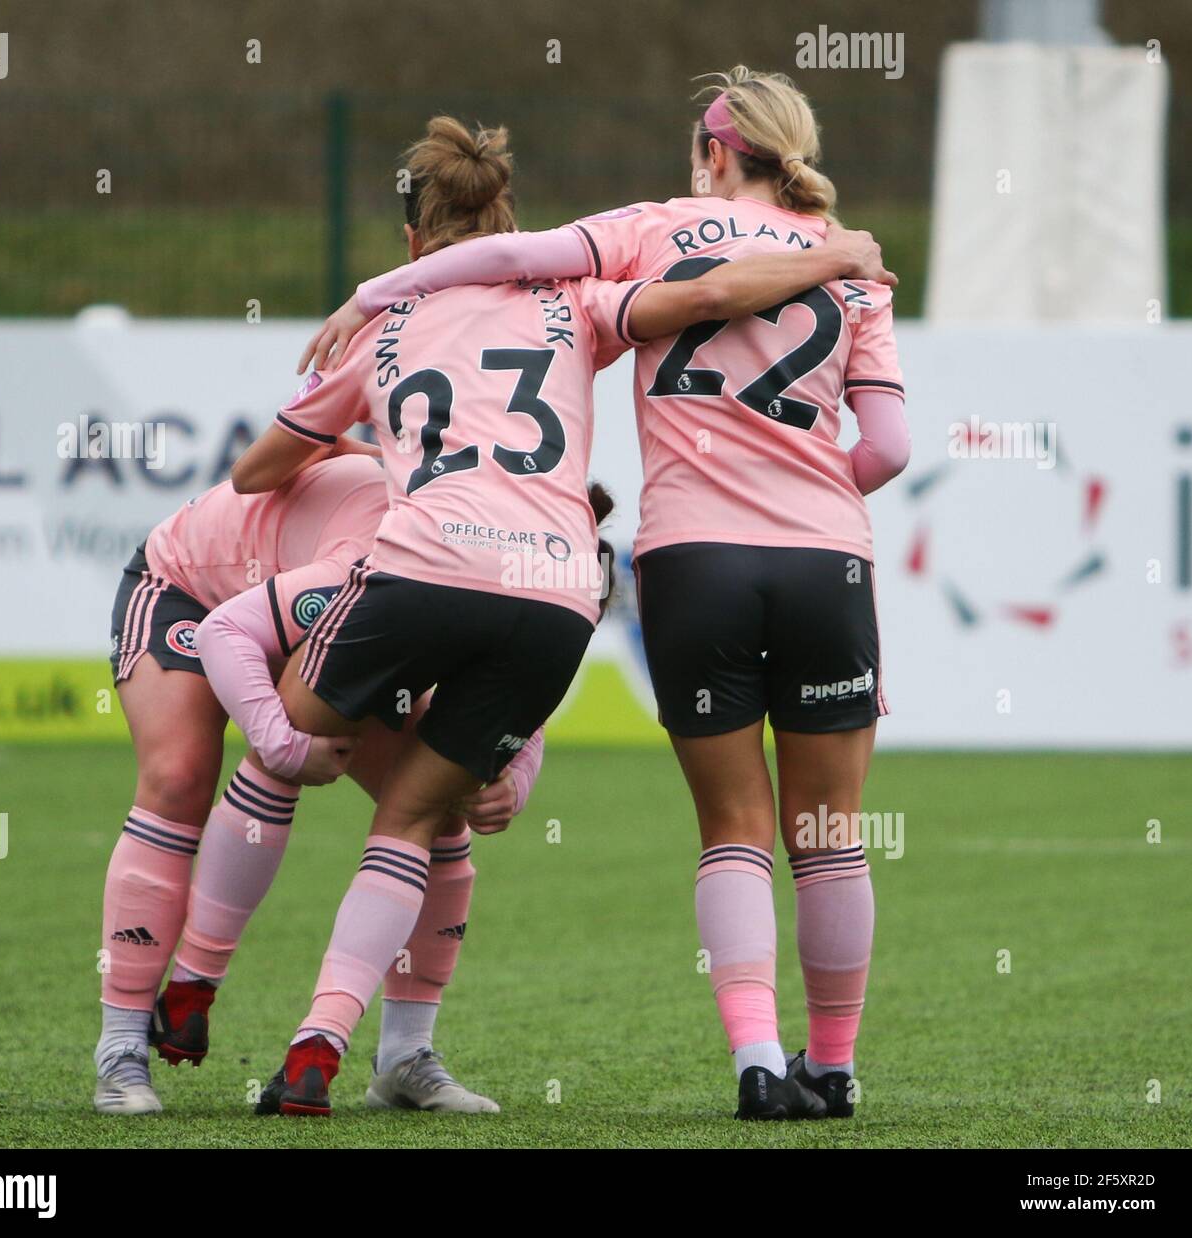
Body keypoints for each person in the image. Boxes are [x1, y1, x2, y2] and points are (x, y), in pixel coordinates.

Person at [229, 112, 876, 1118]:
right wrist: (833, 254)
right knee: (826, 832)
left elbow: (257, 471)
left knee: (265, 737)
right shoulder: (594, 301)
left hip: (610, 556)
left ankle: (174, 1007)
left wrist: (370, 325)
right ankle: (829, 1067)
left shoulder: (458, 296)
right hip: (602, 579)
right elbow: (870, 432)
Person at [95, 453, 532, 1116]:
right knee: (180, 776)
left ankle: (405, 1058)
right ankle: (122, 1046)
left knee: (438, 808)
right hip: (199, 591)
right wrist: (284, 744)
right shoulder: (377, 565)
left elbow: (523, 682)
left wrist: (516, 777)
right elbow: (228, 631)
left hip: (310, 607)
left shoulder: (528, 563)